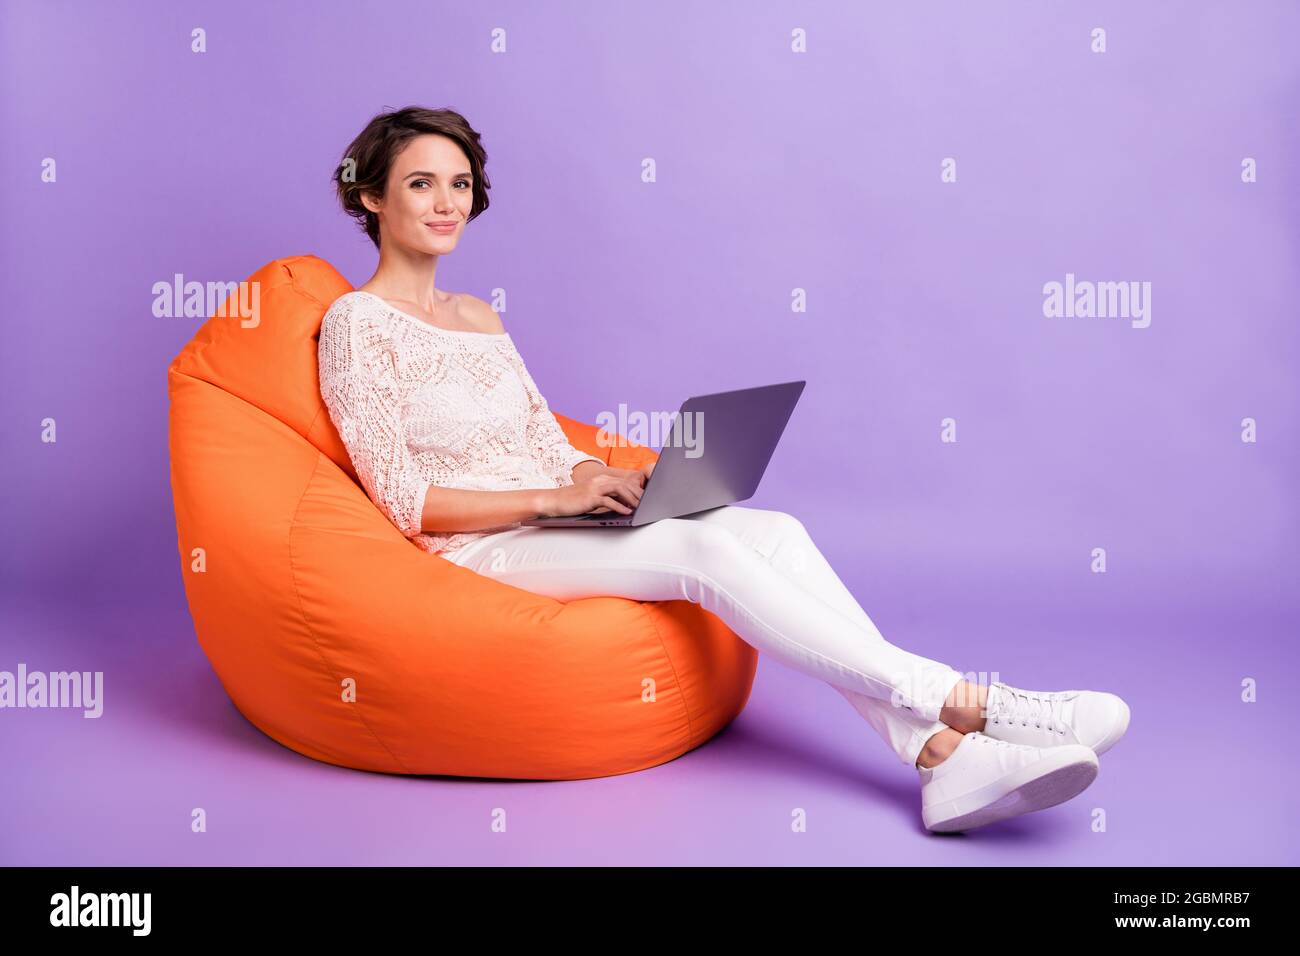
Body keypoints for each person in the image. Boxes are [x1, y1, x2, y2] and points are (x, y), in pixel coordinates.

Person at [317, 106, 1131, 833]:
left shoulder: (477, 314)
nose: (447, 201)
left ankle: (944, 762)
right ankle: (971, 703)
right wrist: (551, 497)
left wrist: (598, 478)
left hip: (552, 518)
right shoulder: (356, 324)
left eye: (459, 183)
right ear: (371, 199)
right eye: (420, 183)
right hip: (474, 550)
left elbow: (539, 432)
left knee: (775, 532)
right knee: (702, 555)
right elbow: (402, 499)